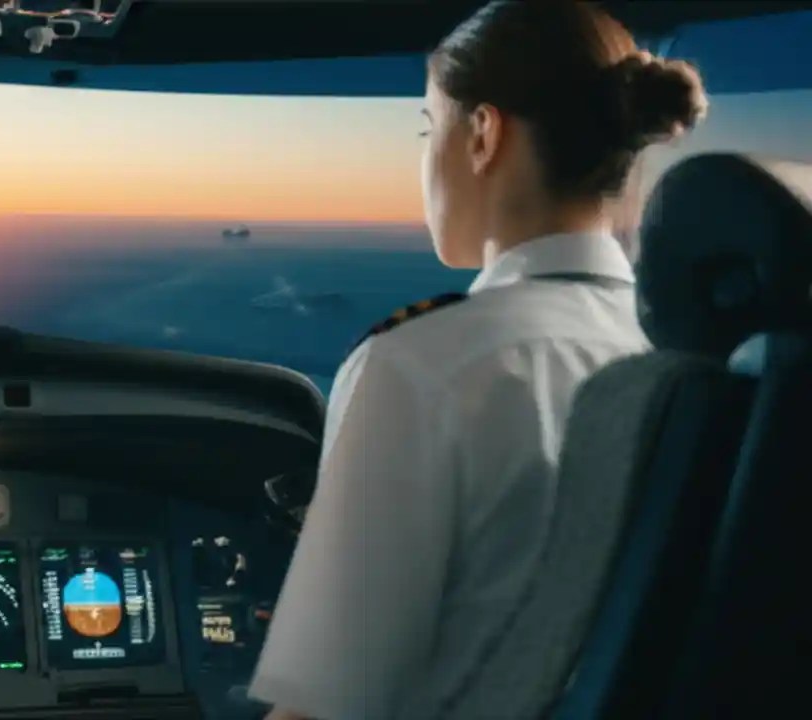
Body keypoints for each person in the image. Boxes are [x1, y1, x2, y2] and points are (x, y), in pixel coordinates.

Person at [247, 1, 708, 718]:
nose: (426, 157)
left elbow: (326, 711)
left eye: (431, 128)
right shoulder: (686, 361)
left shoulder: (421, 368)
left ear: (484, 135)